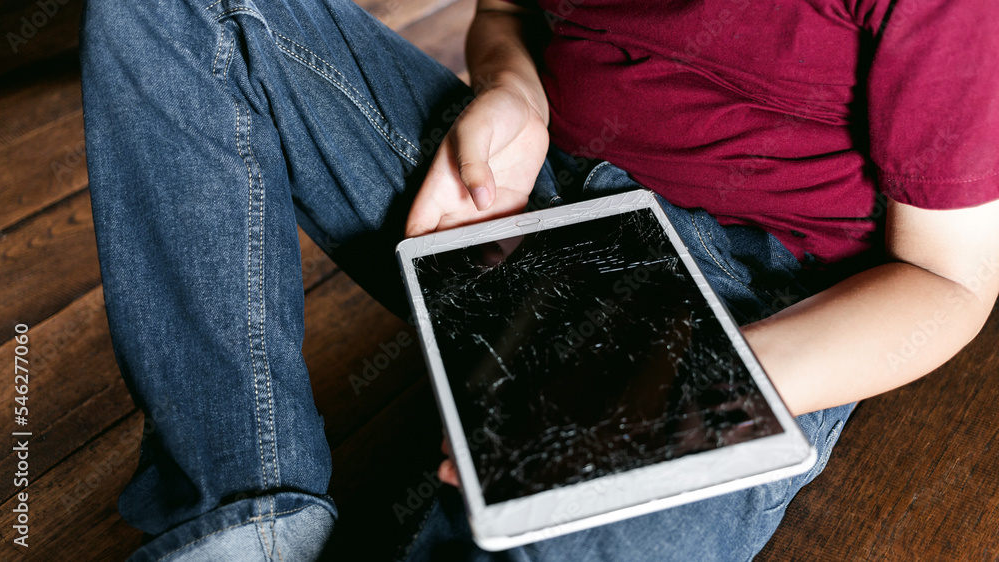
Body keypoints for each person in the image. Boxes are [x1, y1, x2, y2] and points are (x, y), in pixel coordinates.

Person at [79, 0, 999, 559]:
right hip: (529, 189)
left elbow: (948, 279)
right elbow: (509, 15)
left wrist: (663, 391)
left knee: (566, 534)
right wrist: (512, 92)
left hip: (743, 301)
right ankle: (248, 518)